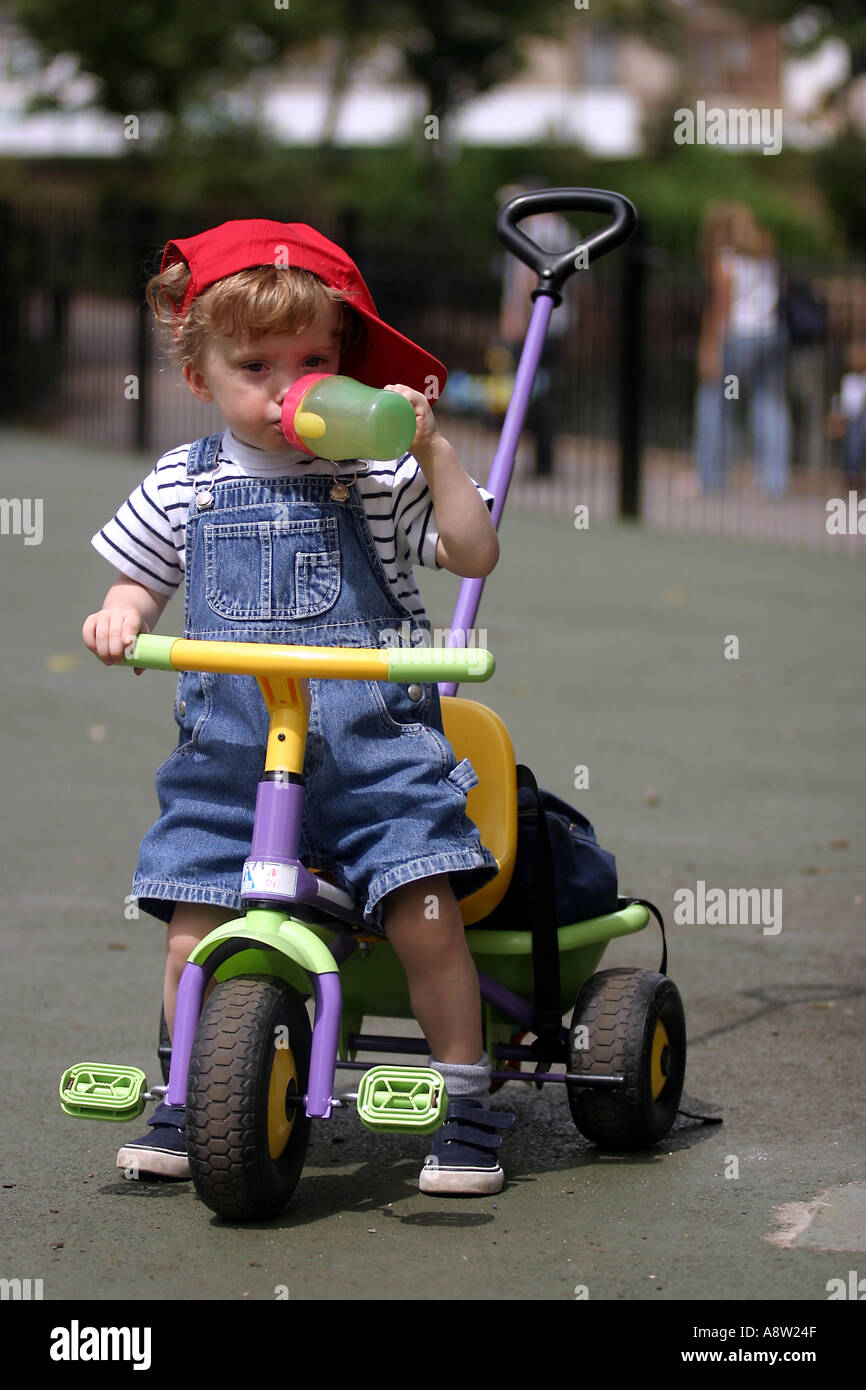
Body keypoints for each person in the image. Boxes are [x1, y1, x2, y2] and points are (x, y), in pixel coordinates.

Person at [82, 219, 515, 1196]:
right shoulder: (183, 482)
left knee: (424, 906)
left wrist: (435, 453)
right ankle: (188, 1094)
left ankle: (462, 1094)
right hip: (232, 758)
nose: (291, 390)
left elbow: (472, 552)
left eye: (314, 361)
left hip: (375, 753)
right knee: (193, 920)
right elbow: (137, 580)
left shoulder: (368, 472)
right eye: (258, 366)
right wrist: (118, 614)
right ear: (200, 378)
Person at [694, 202, 791, 496]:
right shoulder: (765, 255)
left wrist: (709, 349)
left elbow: (720, 308)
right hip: (771, 335)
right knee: (769, 404)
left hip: (738, 338)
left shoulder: (725, 260)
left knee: (716, 402)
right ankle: (774, 481)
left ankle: (710, 476)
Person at [497, 181, 577, 477]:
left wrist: (517, 315)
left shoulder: (534, 232)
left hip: (536, 324)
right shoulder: (565, 231)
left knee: (527, 389)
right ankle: (544, 455)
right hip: (558, 323)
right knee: (545, 388)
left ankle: (533, 455)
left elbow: (528, 277)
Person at [826, 341, 866, 482]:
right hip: (851, 421)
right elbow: (844, 406)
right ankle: (852, 471)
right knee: (854, 432)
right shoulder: (848, 380)